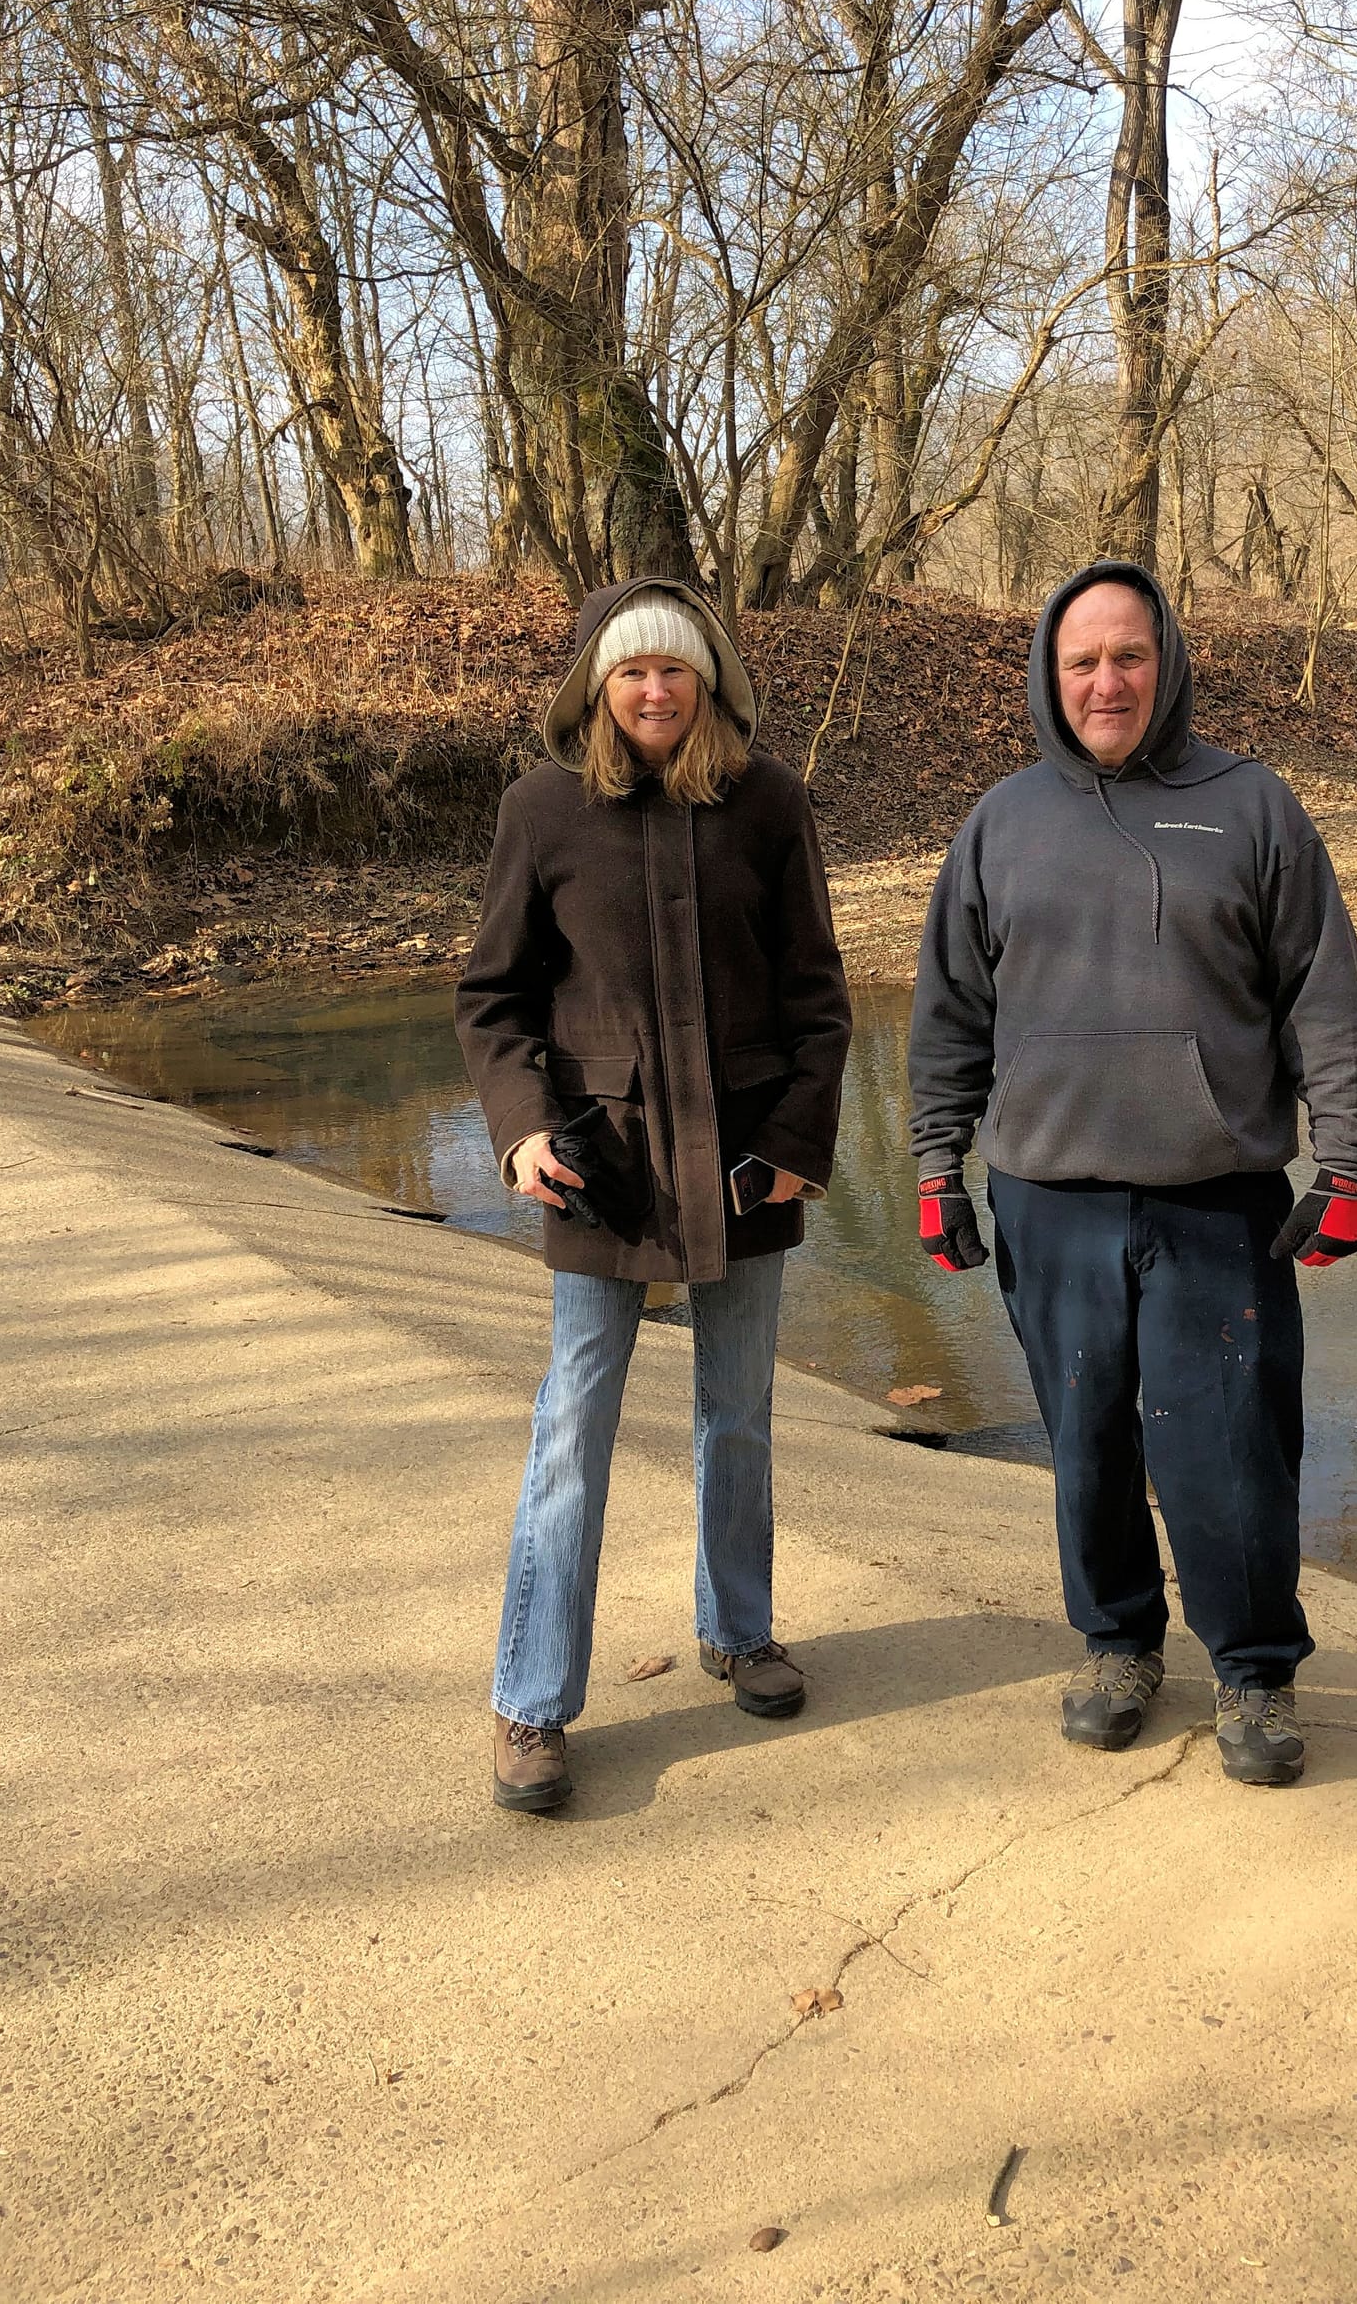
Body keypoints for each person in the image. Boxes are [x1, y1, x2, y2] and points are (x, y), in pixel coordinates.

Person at [907, 561, 1357, 1786]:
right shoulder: (1000, 823)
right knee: (1086, 1444)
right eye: (1081, 661)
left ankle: (1253, 1668)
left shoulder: (1252, 807)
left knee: (1228, 1447)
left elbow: (1321, 1000)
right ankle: (1116, 1644)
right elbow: (950, 1011)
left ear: (1166, 663)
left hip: (1215, 1201)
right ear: (1047, 675)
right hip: (1047, 1198)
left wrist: (1345, 1165)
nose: (1105, 682)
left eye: (1128, 656)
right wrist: (934, 1165)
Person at [457, 579, 851, 1813]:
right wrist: (522, 1131)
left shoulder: (768, 802)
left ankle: (738, 1630)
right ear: (596, 688)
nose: (653, 689)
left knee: (738, 1412)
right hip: (601, 1168)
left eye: (674, 667)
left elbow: (818, 993)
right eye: (630, 670)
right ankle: (531, 1702)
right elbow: (494, 999)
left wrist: (797, 1139)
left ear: (707, 680)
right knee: (572, 1429)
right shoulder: (540, 809)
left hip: (746, 1160)